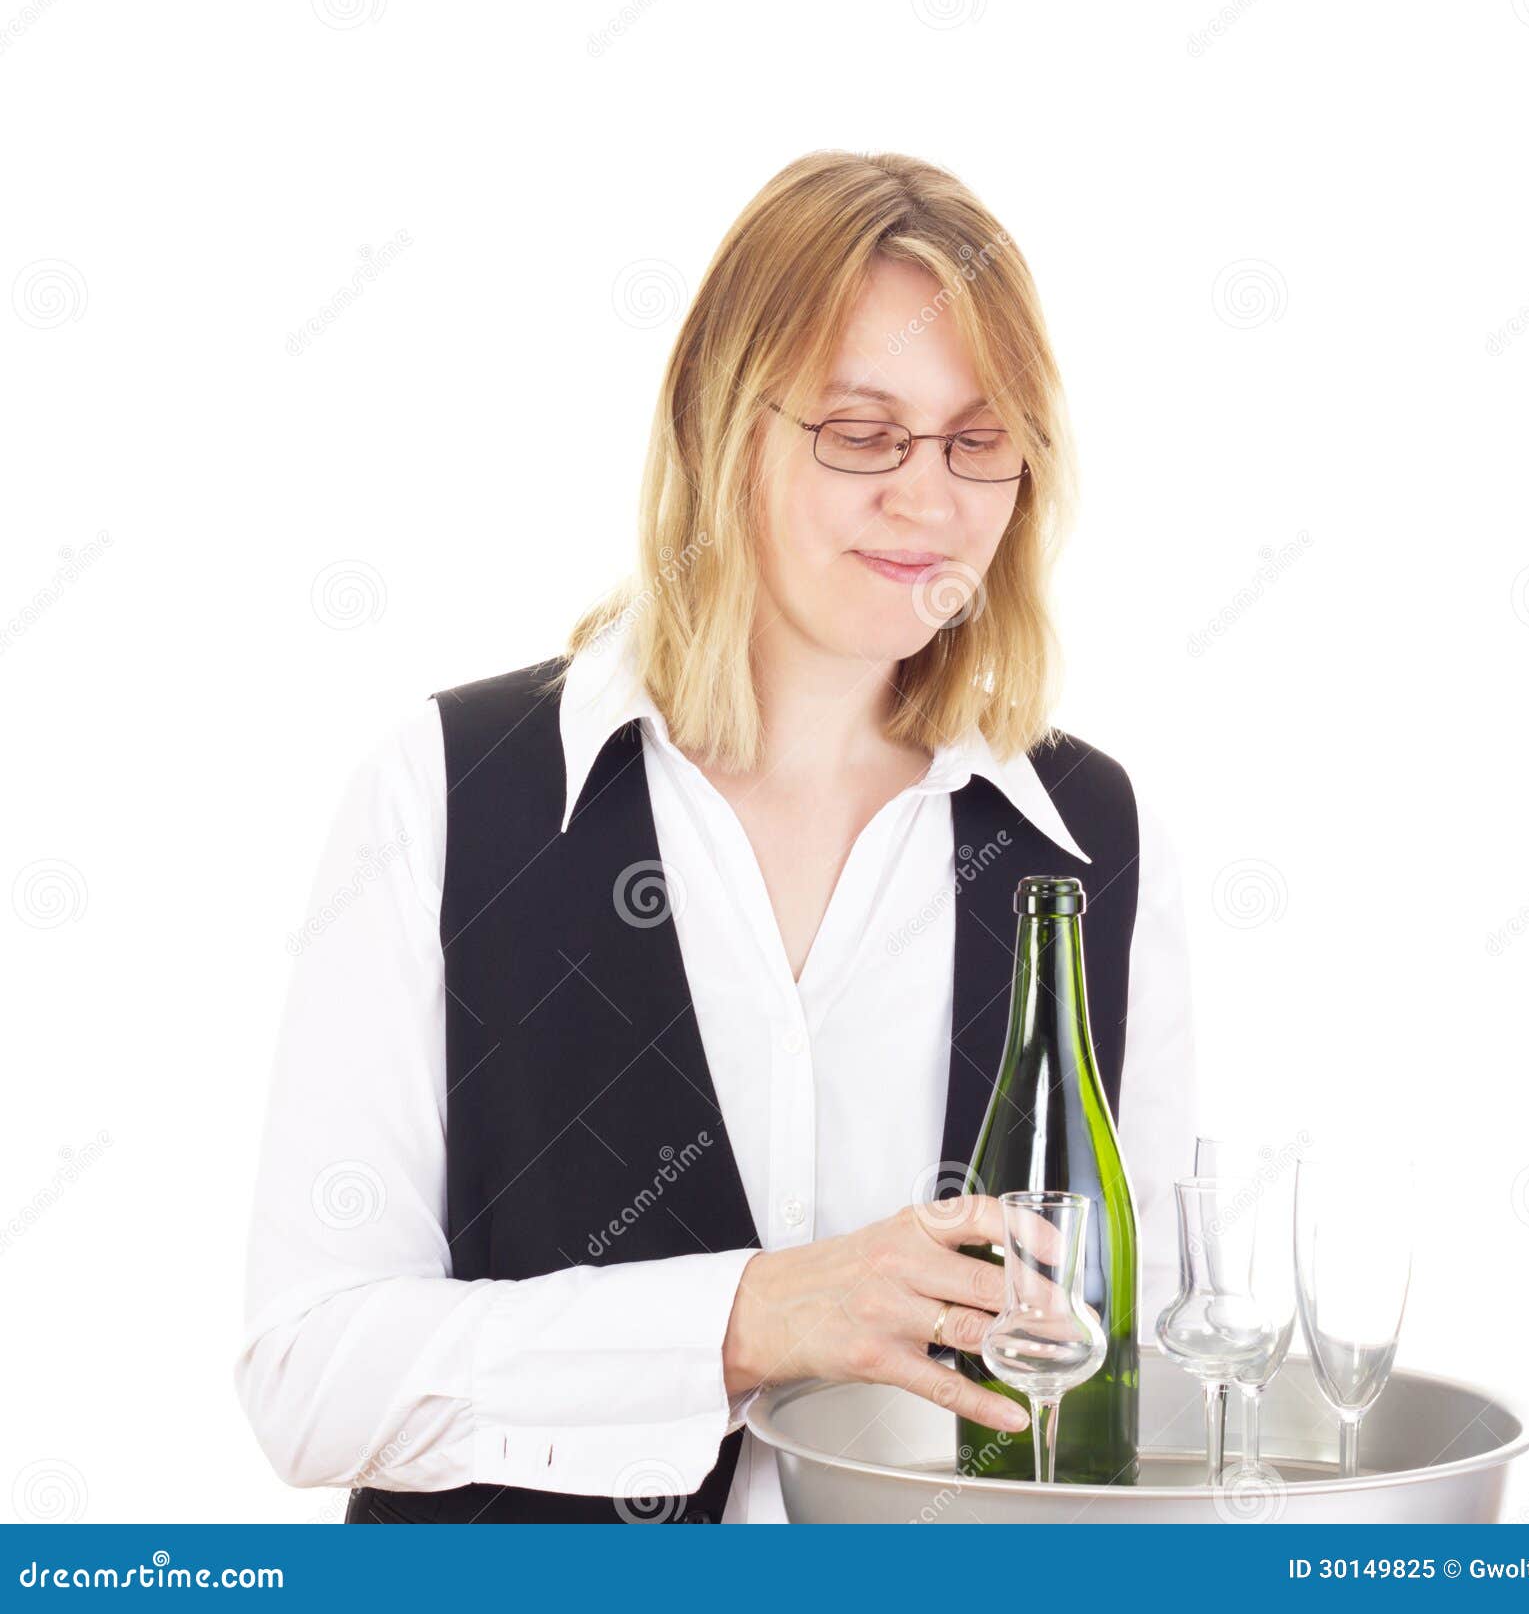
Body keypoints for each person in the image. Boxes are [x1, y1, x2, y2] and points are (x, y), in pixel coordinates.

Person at [235, 150, 1197, 1523]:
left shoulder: (1090, 838)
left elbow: (1141, 1366)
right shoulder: (450, 794)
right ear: (719, 424)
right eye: (863, 432)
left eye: (980, 441)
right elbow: (310, 1375)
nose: (929, 501)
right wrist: (750, 1314)